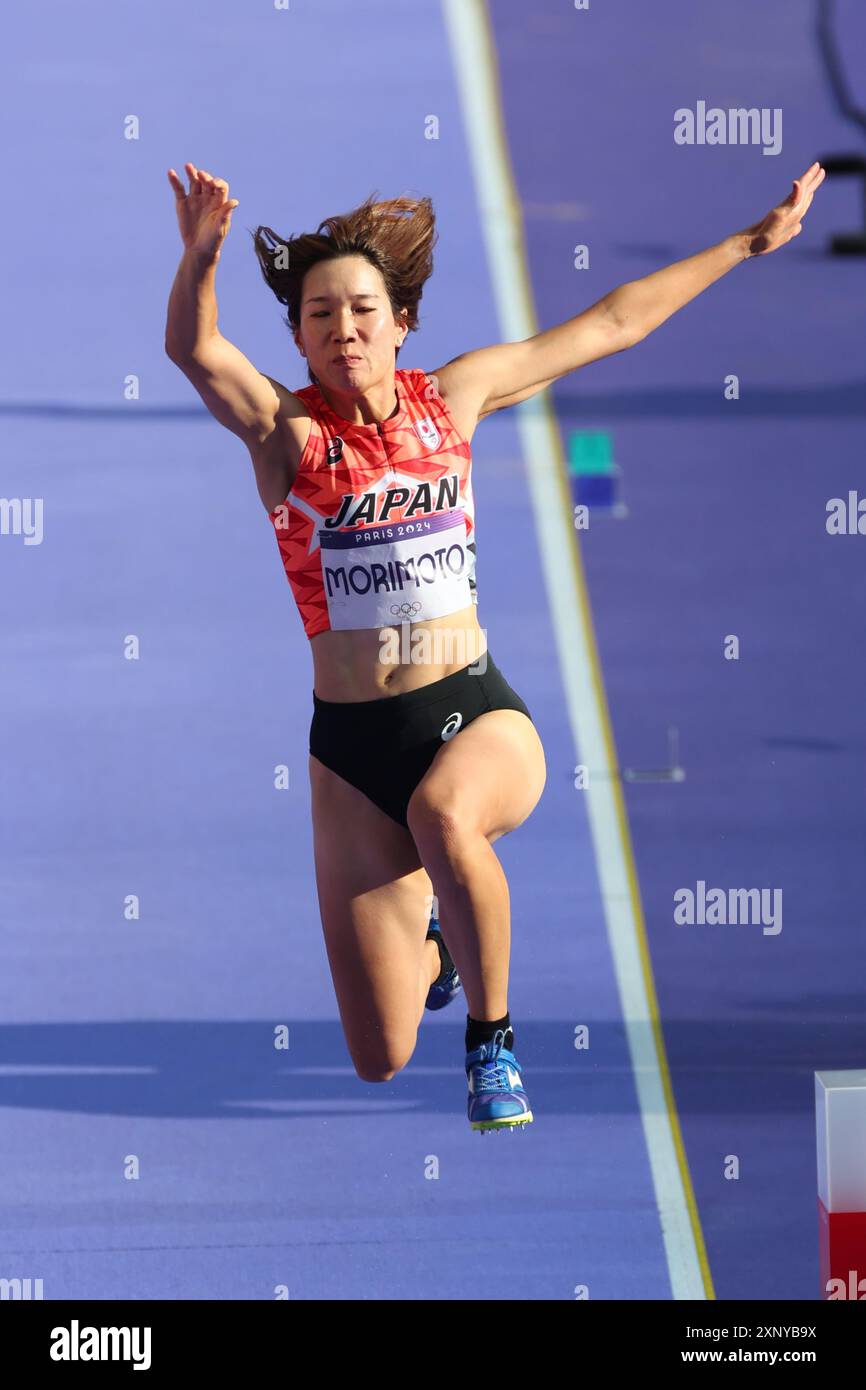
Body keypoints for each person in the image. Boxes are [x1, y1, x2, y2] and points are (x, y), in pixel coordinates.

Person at [164, 160, 825, 1132]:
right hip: (350, 754)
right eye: (317, 316)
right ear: (298, 335)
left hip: (473, 716)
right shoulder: (286, 434)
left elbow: (609, 323)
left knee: (443, 814)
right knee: (380, 1055)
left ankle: (493, 1040)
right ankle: (434, 941)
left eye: (359, 311)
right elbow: (191, 347)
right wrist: (203, 255)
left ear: (400, 324)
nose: (340, 330)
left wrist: (742, 243)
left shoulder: (456, 395)